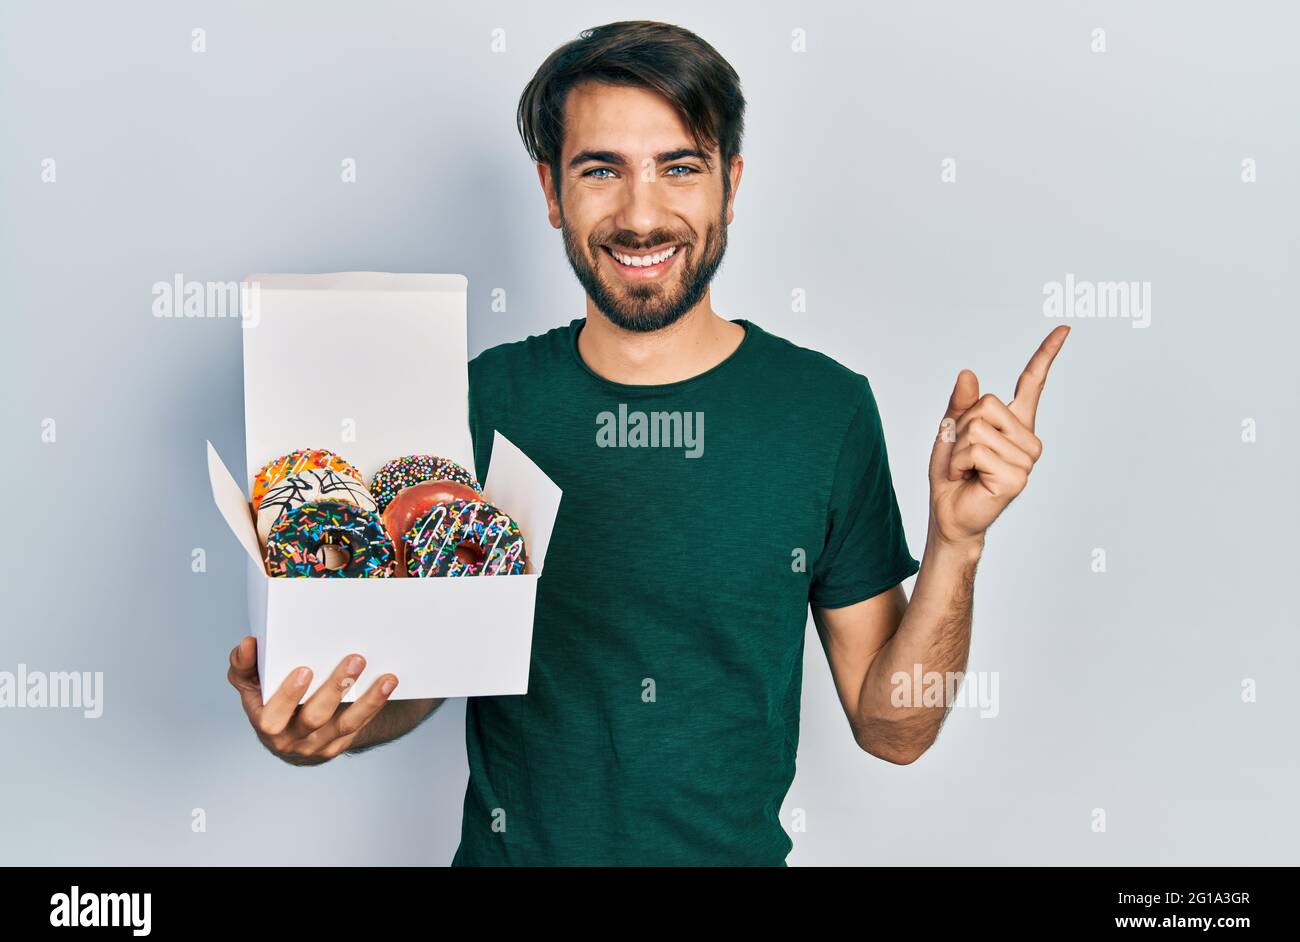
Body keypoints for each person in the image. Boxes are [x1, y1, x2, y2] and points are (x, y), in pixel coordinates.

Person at [227, 20, 1068, 866]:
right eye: (601, 170)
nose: (640, 215)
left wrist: (957, 544)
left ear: (729, 188)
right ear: (552, 191)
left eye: (680, 167)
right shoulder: (479, 400)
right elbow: (430, 669)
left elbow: (894, 730)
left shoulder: (824, 411)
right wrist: (333, 715)